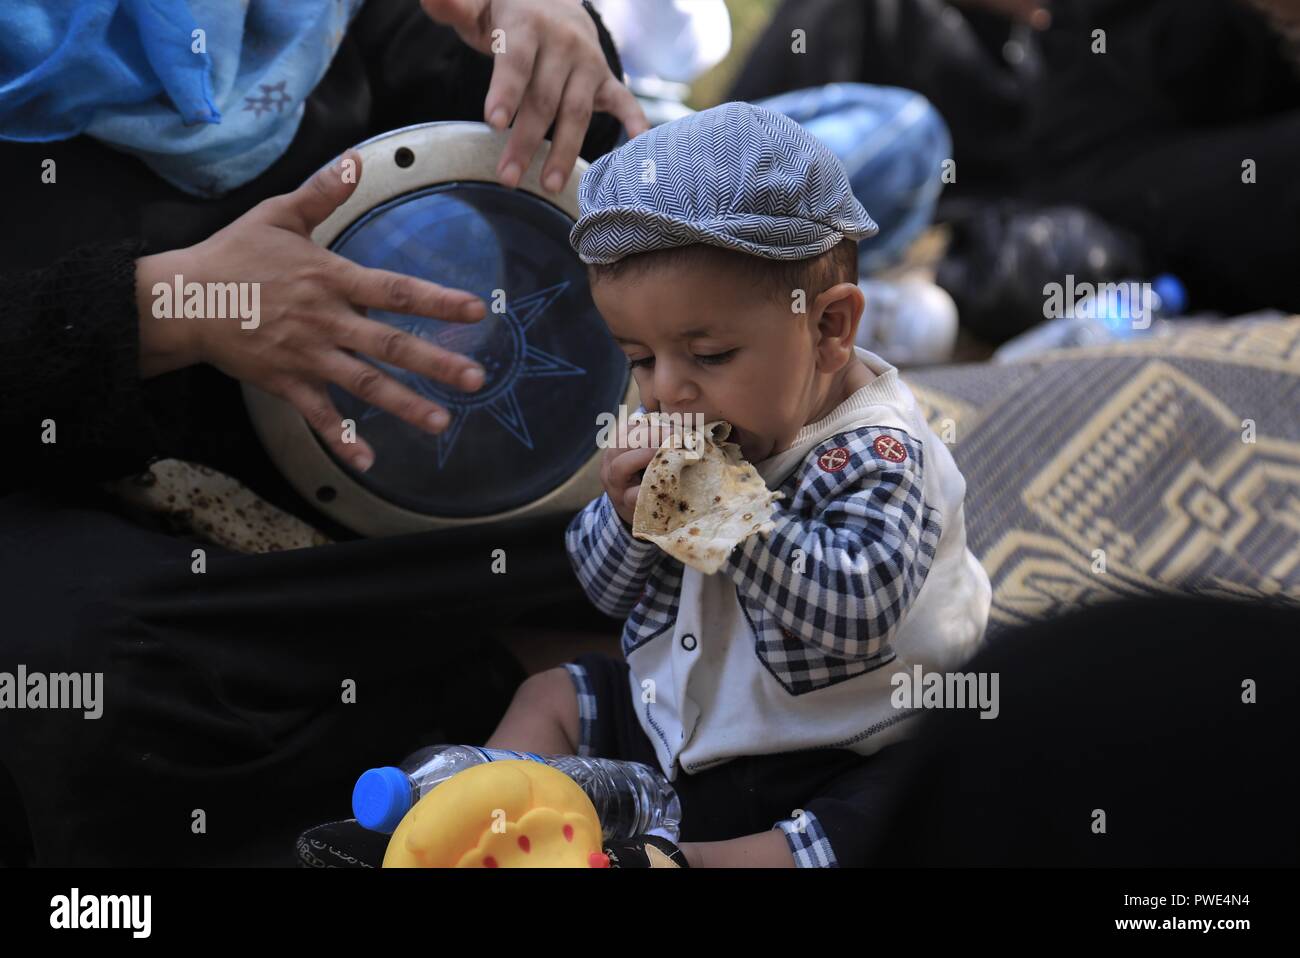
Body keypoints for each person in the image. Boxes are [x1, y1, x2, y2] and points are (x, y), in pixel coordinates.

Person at [0, 0, 646, 866]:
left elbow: (538, 143)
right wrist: (171, 306)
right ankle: (507, 694)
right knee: (90, 674)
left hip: (405, 483)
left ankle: (527, 703)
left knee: (698, 485)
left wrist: (540, 34)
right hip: (89, 498)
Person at [485, 103, 991, 867]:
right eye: (641, 358)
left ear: (829, 329)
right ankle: (479, 819)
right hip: (684, 722)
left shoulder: (883, 453)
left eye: (710, 354)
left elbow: (854, 614)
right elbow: (602, 592)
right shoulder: (692, 414)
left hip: (838, 748)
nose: (668, 393)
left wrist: (723, 514)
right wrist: (625, 516)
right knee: (553, 697)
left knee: (890, 819)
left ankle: (673, 862)